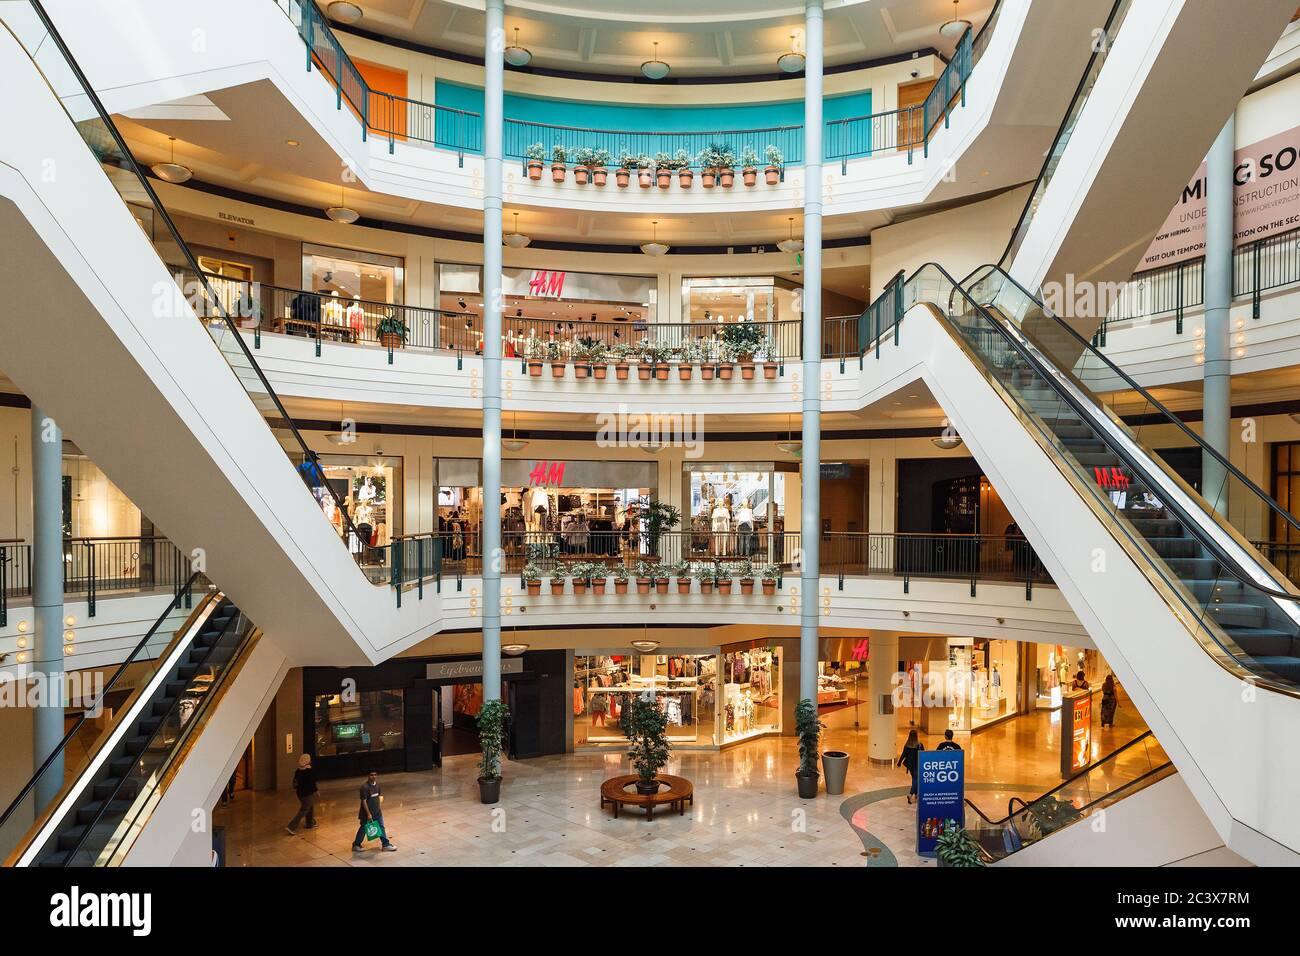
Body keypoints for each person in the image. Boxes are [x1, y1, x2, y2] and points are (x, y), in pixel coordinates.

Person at [352, 771, 396, 852]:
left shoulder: (377, 786)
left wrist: (379, 808)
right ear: (368, 776)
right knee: (364, 828)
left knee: (381, 827)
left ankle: (385, 845)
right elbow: (364, 801)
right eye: (371, 775)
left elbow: (378, 797)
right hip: (367, 814)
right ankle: (356, 845)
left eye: (375, 775)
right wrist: (368, 814)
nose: (374, 776)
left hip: (377, 812)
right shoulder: (364, 787)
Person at [285, 754, 318, 835]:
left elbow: (295, 783)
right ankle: (291, 826)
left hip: (300, 793)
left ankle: (310, 823)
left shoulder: (298, 771)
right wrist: (316, 791)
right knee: (304, 809)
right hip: (307, 794)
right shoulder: (309, 771)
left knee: (310, 806)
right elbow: (312, 783)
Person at [896, 729, 925, 805]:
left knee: (914, 779)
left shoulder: (907, 745)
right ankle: (911, 794)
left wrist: (899, 763)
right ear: (916, 736)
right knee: (916, 779)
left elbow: (903, 754)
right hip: (917, 764)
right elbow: (923, 755)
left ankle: (916, 794)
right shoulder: (919, 745)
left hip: (910, 765)